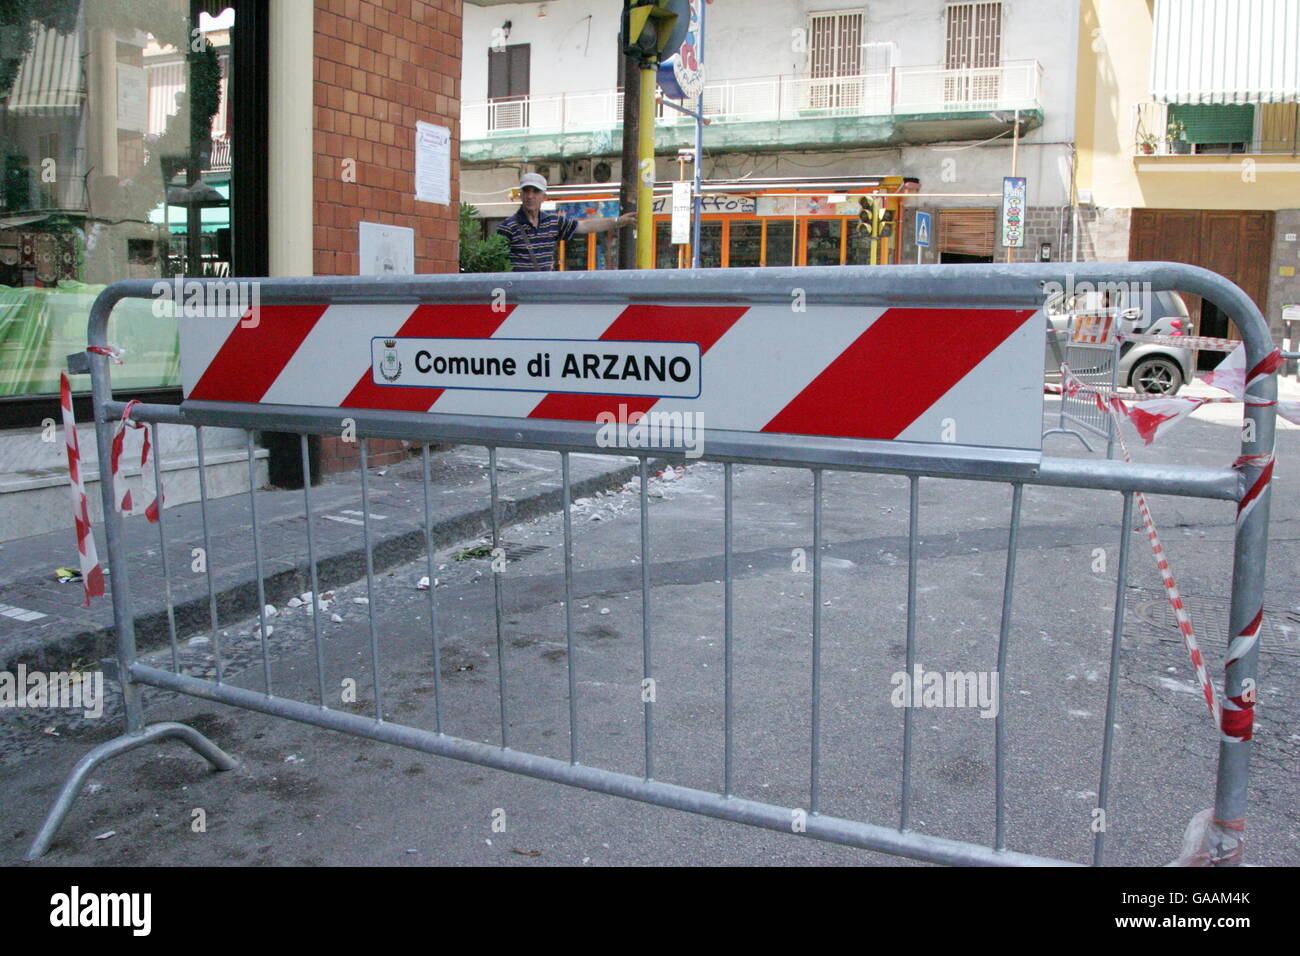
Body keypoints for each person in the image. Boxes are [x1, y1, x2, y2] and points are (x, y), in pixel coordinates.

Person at [495, 173, 634, 272]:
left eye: (536, 191)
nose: (530, 196)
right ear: (521, 195)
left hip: (543, 292)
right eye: (526, 191)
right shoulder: (507, 227)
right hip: (518, 294)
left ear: (544, 197)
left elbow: (584, 226)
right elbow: (496, 262)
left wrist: (618, 221)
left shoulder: (552, 222)